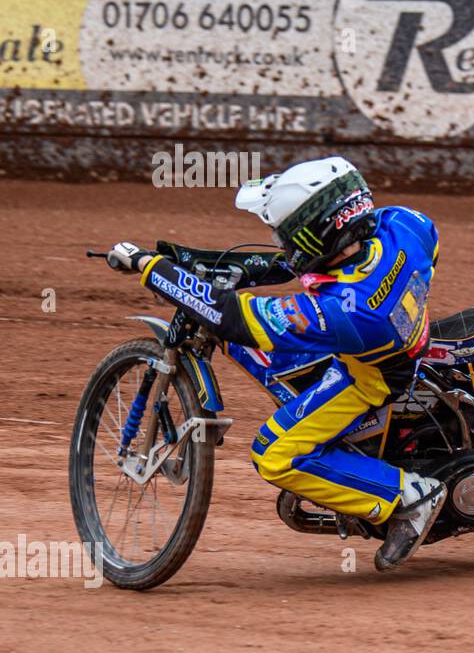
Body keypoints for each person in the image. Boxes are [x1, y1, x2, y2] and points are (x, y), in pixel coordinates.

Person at [106, 156, 446, 570]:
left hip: (370, 376)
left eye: (286, 234)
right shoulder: (403, 225)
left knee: (274, 453)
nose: (281, 240)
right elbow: (302, 262)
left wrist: (152, 268)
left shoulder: (339, 309)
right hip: (404, 337)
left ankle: (408, 498)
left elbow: (229, 318)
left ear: (317, 231)